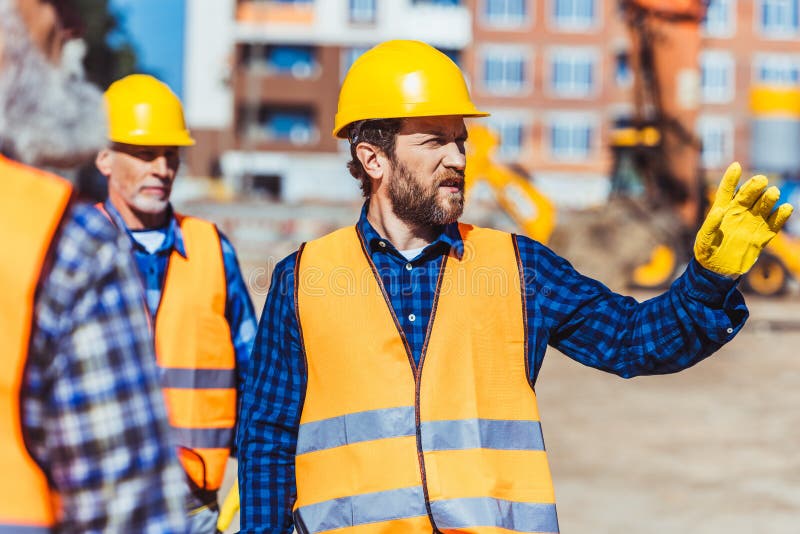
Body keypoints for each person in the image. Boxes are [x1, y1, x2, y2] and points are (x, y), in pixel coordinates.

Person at [237, 40, 793, 533]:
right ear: (373, 158)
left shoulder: (517, 267)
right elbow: (268, 438)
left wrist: (708, 282)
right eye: (434, 142)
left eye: (461, 140)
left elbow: (632, 339)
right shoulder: (305, 278)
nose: (458, 159)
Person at [0, 0, 188, 531]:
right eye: (54, 3)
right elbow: (129, 515)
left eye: (170, 155)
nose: (74, 24)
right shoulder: (66, 241)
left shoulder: (210, 251)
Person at [93, 73, 257, 532]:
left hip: (195, 510)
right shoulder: (74, 248)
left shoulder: (210, 248)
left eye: (171, 156)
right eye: (146, 155)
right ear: (103, 156)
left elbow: (255, 380)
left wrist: (256, 488)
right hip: (98, 505)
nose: (162, 169)